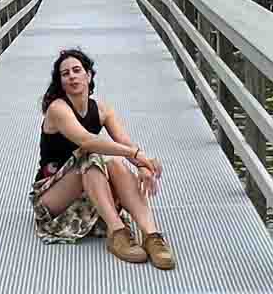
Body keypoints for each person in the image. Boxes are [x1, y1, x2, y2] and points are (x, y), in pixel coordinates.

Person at [29, 47, 176, 268]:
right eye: (65, 73)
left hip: (90, 190)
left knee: (115, 164)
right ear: (60, 82)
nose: (72, 76)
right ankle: (117, 233)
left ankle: (152, 236)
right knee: (91, 156)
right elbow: (87, 141)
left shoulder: (103, 109)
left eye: (77, 70)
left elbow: (126, 144)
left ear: (88, 75)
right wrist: (134, 155)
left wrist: (144, 164)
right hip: (53, 198)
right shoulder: (57, 109)